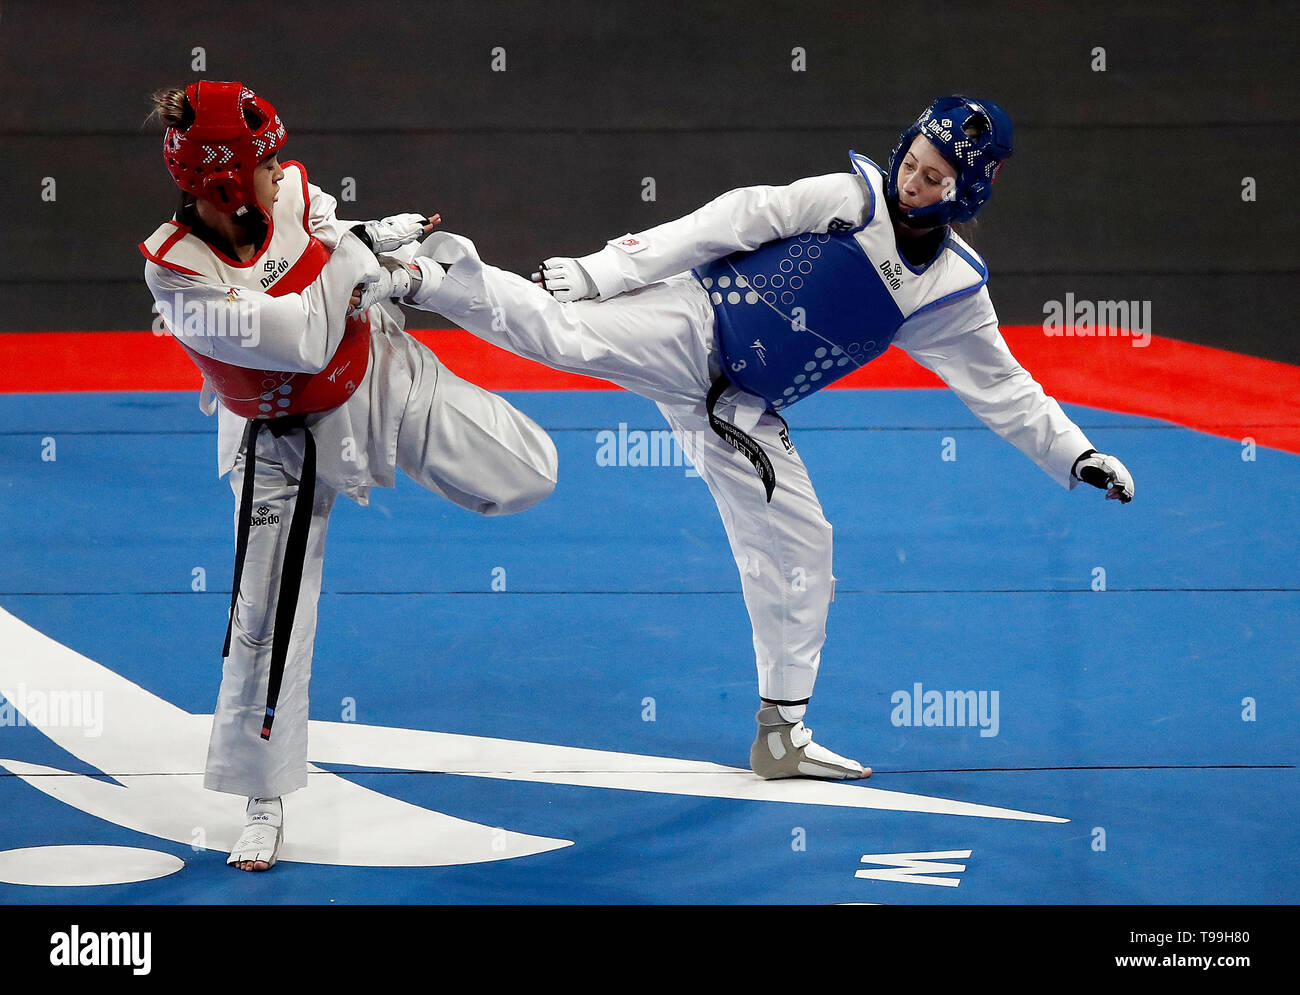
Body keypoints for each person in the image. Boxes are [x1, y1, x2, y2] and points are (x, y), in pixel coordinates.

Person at [382, 94, 1135, 783]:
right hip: (693, 323)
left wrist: (1075, 454)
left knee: (802, 544)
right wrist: (603, 269)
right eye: (911, 162)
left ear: (968, 190)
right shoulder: (848, 198)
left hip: (740, 412)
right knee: (566, 333)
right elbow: (731, 218)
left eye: (934, 178)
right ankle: (418, 274)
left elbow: (1002, 388)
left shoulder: (950, 292)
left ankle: (781, 733)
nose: (912, 182)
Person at [140, 80, 558, 871]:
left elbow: (337, 240)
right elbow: (297, 337)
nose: (279, 169)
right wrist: (360, 254)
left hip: (373, 374)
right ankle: (263, 799)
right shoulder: (176, 273)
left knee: (528, 470)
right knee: (264, 622)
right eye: (261, 161)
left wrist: (380, 248)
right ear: (225, 180)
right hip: (277, 441)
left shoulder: (293, 190)